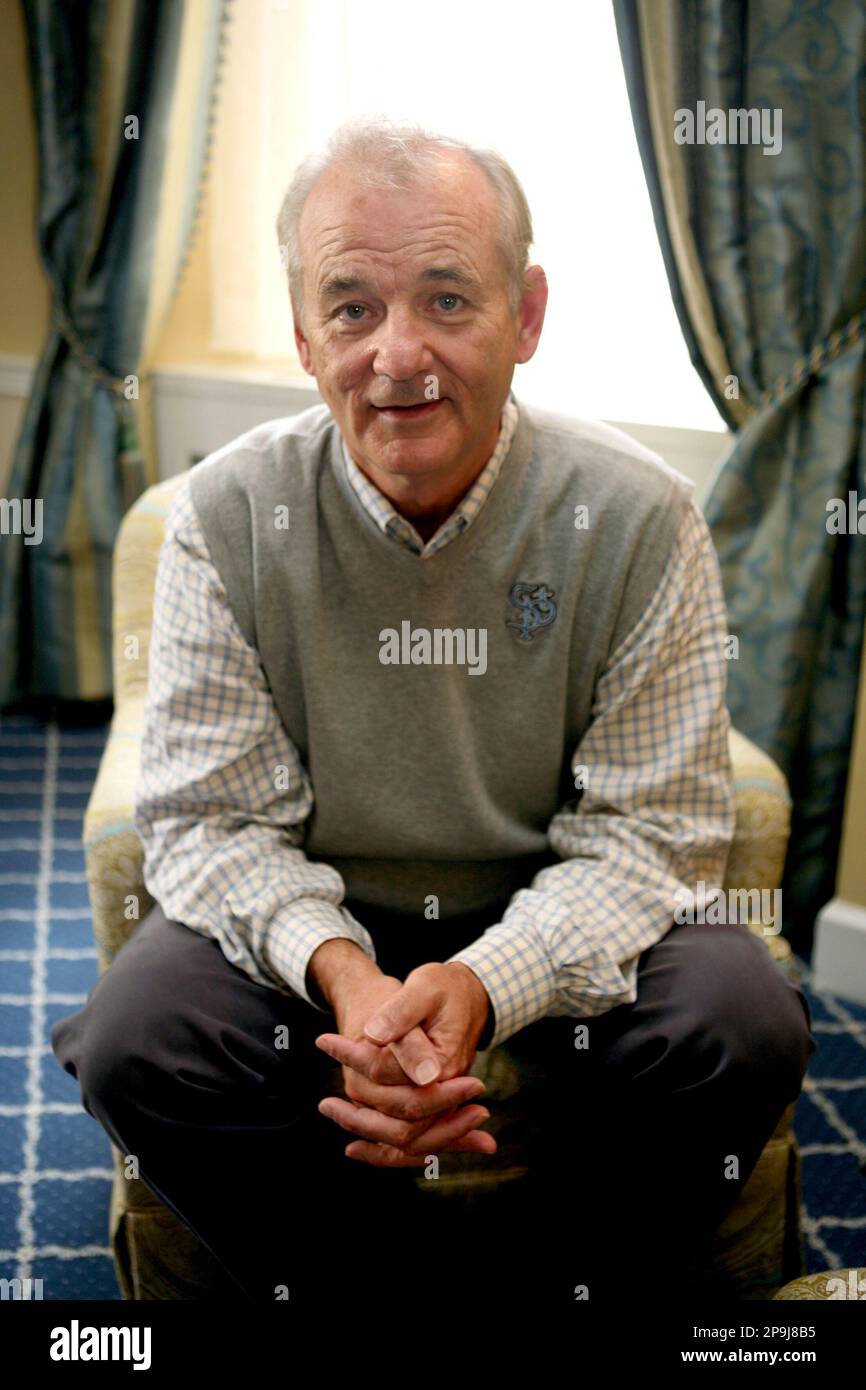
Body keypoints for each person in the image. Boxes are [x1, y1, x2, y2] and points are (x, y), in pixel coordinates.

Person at [52, 117, 815, 1305]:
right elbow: (210, 824)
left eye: (447, 299)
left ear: (526, 315)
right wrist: (351, 980)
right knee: (133, 1035)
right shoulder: (221, 517)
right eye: (350, 307)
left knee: (742, 1016)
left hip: (546, 917)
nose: (397, 356)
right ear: (303, 334)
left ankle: (576, 1293)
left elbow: (647, 841)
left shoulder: (635, 515)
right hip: (311, 941)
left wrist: (485, 984)